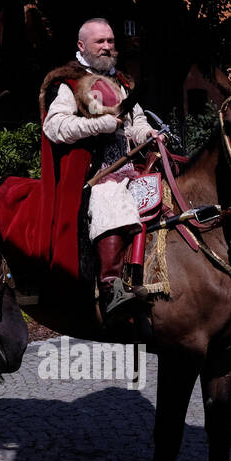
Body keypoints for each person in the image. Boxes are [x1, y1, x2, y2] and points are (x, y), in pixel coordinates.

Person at [41, 18, 157, 321]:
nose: (107, 47)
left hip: (133, 165)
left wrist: (148, 134)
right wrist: (100, 125)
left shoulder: (121, 81)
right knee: (112, 201)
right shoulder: (68, 83)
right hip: (96, 173)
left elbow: (137, 122)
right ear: (82, 46)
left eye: (110, 41)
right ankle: (110, 289)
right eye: (99, 42)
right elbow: (53, 127)